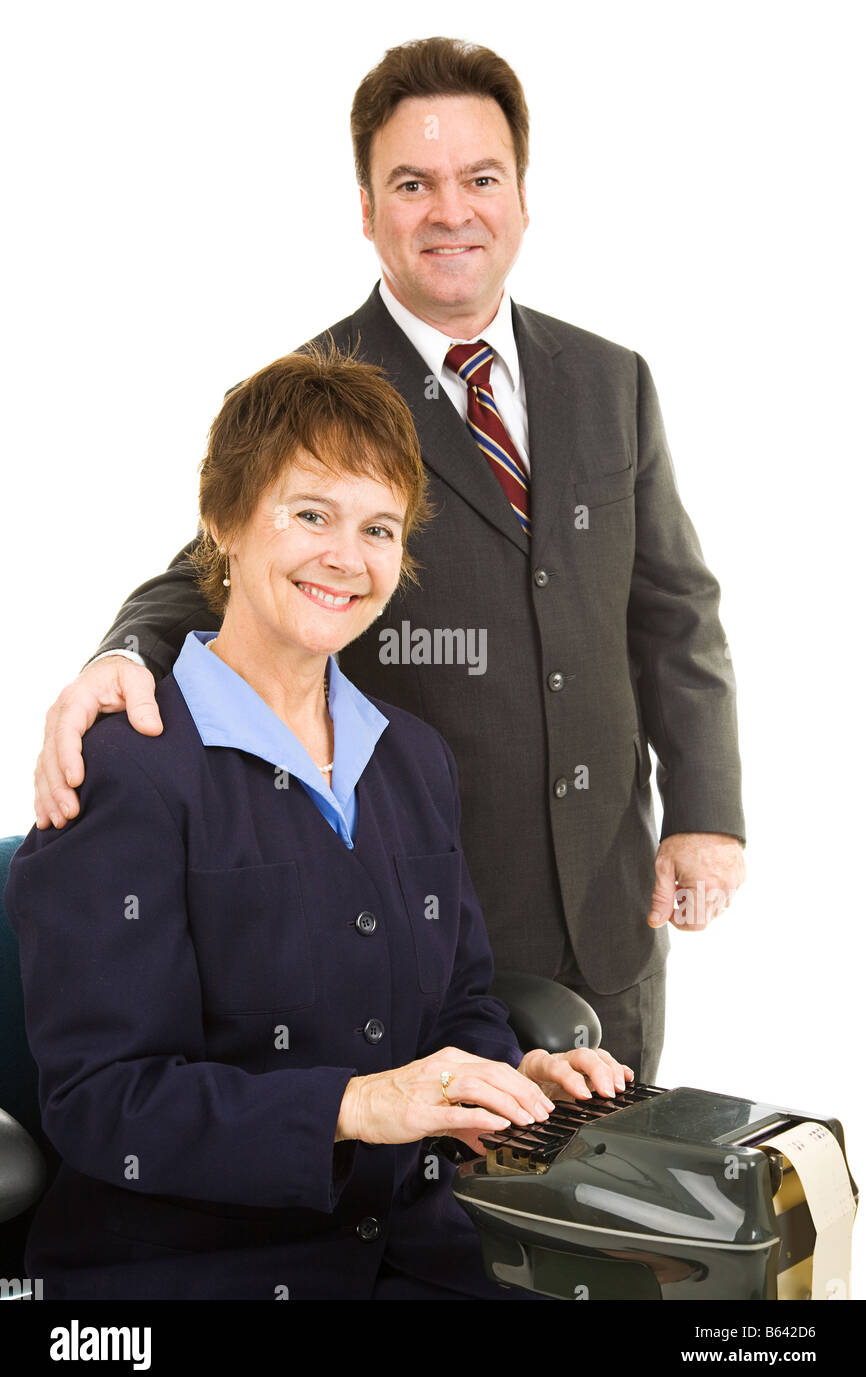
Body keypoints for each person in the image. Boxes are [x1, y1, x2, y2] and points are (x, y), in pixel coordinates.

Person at [32, 37, 746, 1084]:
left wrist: (702, 815)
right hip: (421, 912)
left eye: (478, 179)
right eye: (411, 183)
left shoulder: (609, 379)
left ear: (520, 199)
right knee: (443, 1228)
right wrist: (120, 657)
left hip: (608, 904)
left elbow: (674, 610)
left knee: (605, 1220)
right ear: (366, 209)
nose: (449, 211)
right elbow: (212, 566)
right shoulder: (325, 390)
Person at [6, 346, 632, 1301]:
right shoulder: (124, 769)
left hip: (420, 1244)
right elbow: (105, 1104)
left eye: (379, 528)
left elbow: (461, 1001)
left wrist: (516, 1078)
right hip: (202, 1268)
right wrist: (355, 1106)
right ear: (223, 523)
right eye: (310, 515)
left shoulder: (412, 758)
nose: (347, 557)